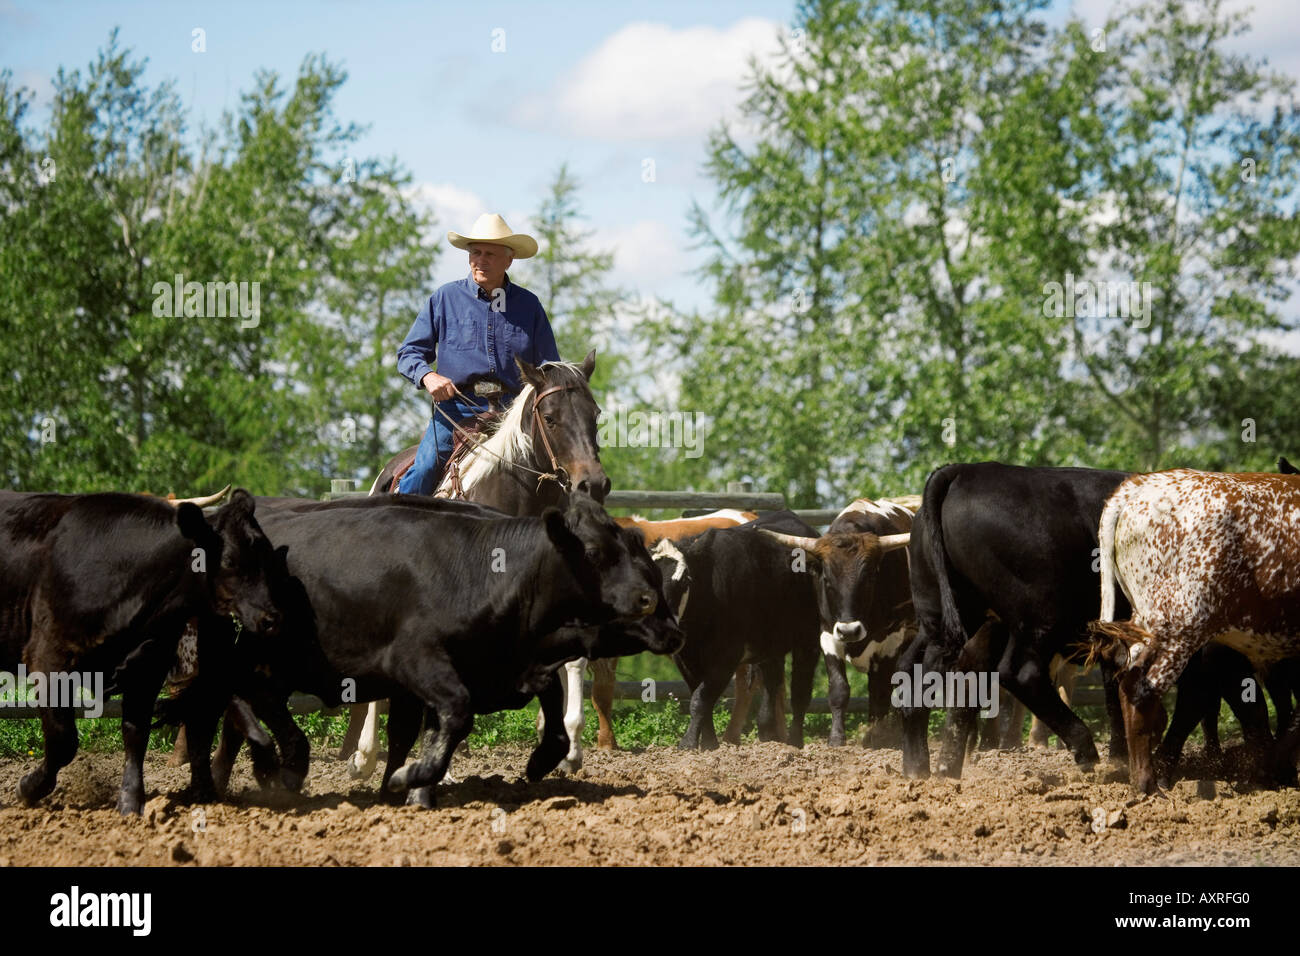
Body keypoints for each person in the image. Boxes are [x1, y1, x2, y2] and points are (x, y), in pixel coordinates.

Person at [396, 213, 561, 495]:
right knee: (423, 471)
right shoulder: (445, 298)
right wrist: (428, 377)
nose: (480, 260)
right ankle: (396, 525)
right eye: (475, 253)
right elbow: (409, 352)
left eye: (490, 254)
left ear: (509, 260)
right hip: (456, 409)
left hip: (515, 412)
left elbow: (548, 367)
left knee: (560, 474)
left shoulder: (529, 306)